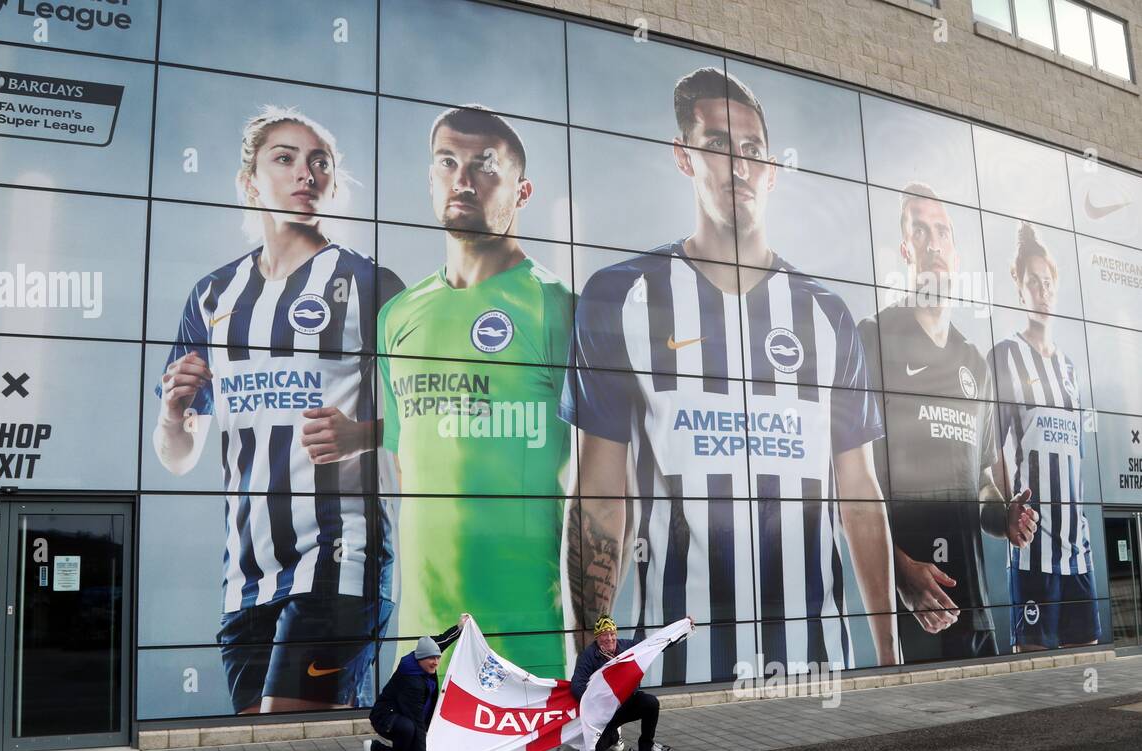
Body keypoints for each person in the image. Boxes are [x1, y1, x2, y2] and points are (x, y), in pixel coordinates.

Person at [562, 67, 898, 684]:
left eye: (751, 151)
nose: (737, 166)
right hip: (675, 674)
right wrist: (589, 665)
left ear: (771, 171)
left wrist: (889, 661)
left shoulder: (828, 315)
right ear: (684, 157)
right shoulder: (620, 296)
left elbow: (859, 491)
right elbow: (599, 501)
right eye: (717, 145)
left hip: (820, 667)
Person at [154, 105, 403, 714]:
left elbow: (429, 421)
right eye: (285, 158)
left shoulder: (370, 285)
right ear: (249, 182)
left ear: (334, 183)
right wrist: (172, 412)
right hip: (247, 575)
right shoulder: (213, 295)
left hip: (341, 559)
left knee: (287, 736)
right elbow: (178, 456)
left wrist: (361, 434)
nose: (305, 173)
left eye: (319, 162)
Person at [377, 104, 574, 678]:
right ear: (430, 178)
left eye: (484, 166)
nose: (462, 180)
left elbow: (601, 479)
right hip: (421, 650)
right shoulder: (397, 316)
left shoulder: (558, 307)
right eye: (447, 162)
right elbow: (403, 471)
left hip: (526, 648)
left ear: (523, 190)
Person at [858, 184, 1037, 662]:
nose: (934, 242)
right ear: (905, 250)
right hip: (910, 611)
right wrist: (899, 573)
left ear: (956, 255)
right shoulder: (873, 338)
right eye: (921, 230)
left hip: (974, 615)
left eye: (943, 232)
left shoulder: (974, 362)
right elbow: (849, 487)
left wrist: (1006, 516)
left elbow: (979, 483)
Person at [988, 222, 1099, 651]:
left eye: (1047, 281)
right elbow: (993, 453)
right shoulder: (1005, 356)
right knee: (1033, 667)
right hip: (1034, 550)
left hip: (1077, 549)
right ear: (1020, 288)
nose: (1042, 289)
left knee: (1086, 657)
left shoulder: (1070, 368)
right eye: (1032, 281)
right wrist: (1005, 511)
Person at [364, 617, 465, 751]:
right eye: (431, 659)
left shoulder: (423, 657)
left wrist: (459, 628)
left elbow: (440, 641)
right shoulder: (412, 681)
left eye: (437, 657)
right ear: (420, 659)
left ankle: (375, 750)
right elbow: (416, 723)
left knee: (409, 748)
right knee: (409, 730)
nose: (435, 662)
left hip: (401, 713)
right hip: (385, 717)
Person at [571, 616, 673, 751]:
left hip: (627, 703)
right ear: (597, 637)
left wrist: (680, 631)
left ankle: (645, 749)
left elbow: (654, 645)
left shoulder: (627, 647)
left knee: (650, 703)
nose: (609, 638)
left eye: (612, 634)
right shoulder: (588, 656)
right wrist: (594, 706)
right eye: (604, 635)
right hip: (604, 713)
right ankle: (614, 735)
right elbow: (577, 685)